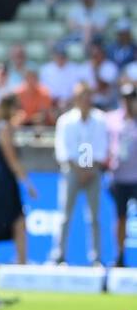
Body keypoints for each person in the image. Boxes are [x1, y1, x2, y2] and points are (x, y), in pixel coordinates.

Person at [51, 82, 111, 265]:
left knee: (94, 217)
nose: (85, 100)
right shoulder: (66, 121)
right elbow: (63, 149)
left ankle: (96, 257)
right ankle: (59, 255)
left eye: (88, 96)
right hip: (72, 171)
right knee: (64, 216)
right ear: (76, 99)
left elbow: (102, 147)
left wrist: (91, 169)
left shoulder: (100, 119)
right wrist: (79, 169)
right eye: (82, 96)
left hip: (93, 172)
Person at [0, 92, 36, 264]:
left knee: (18, 221)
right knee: (11, 221)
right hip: (4, 181)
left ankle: (22, 262)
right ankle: (21, 262)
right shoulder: (5, 128)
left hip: (0, 179)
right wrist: (28, 184)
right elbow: (12, 160)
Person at [108, 85, 137, 267]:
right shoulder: (111, 119)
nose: (128, 102)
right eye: (125, 98)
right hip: (118, 177)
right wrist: (87, 165)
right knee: (120, 218)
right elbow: (90, 142)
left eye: (131, 98)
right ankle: (119, 255)